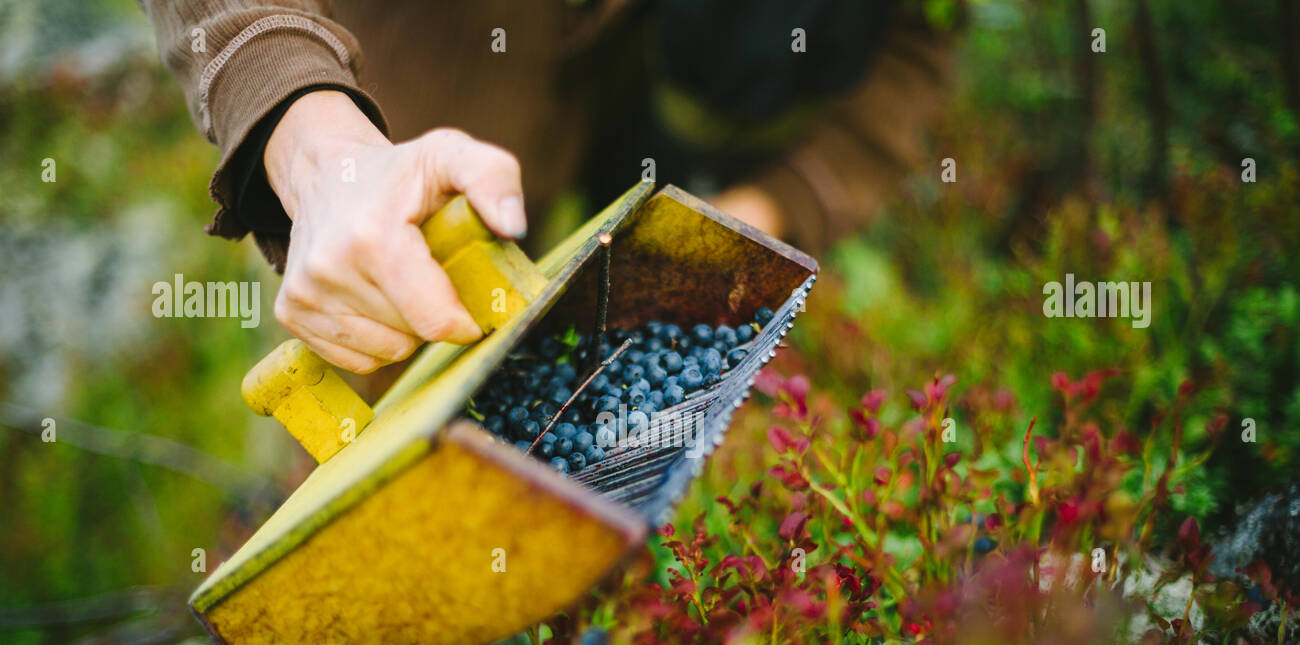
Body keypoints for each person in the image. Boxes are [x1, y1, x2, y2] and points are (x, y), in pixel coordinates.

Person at [142, 0, 953, 373]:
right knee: (391, 351)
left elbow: (914, 46)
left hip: (628, 120)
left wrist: (751, 212)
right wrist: (313, 145)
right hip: (400, 138)